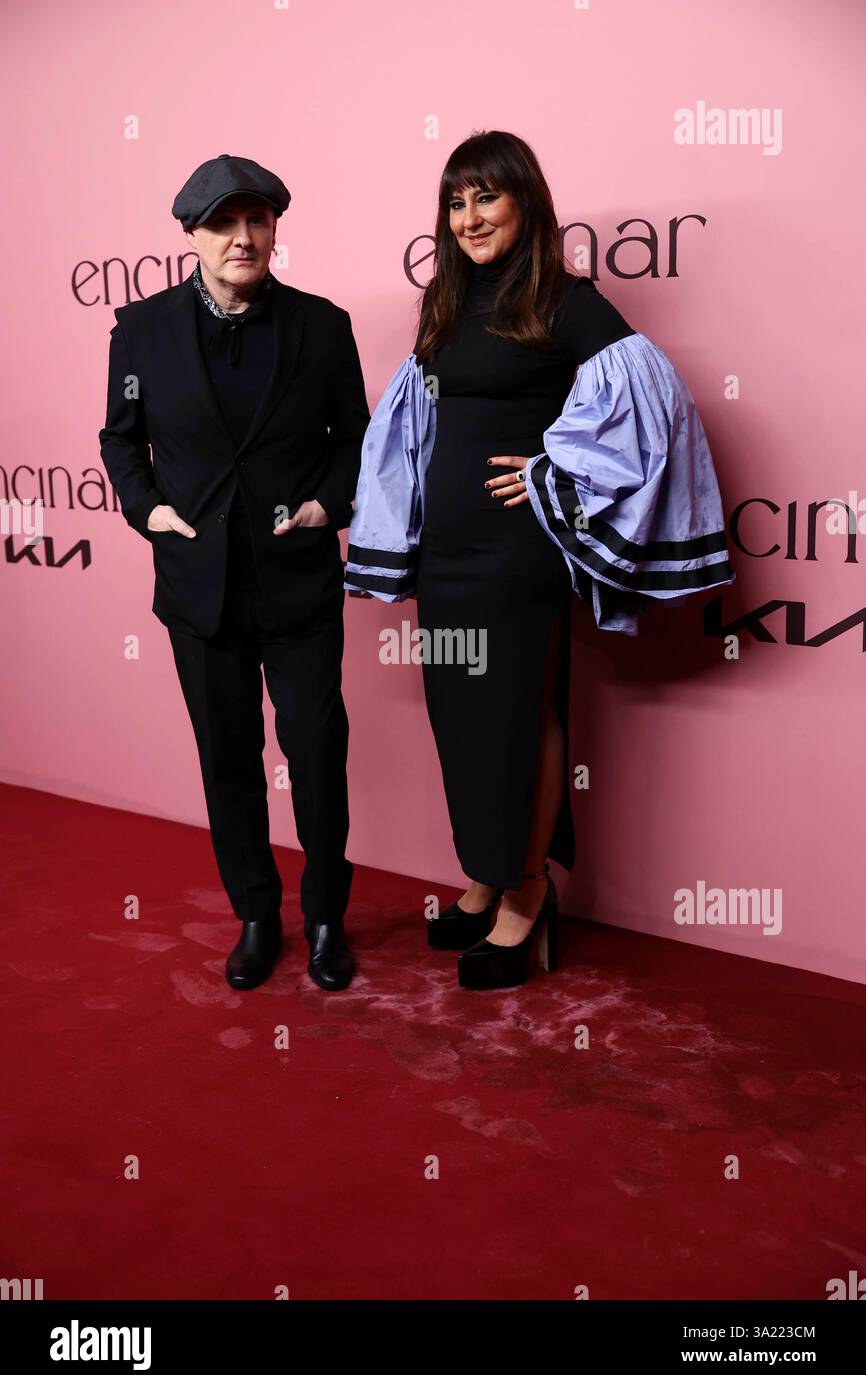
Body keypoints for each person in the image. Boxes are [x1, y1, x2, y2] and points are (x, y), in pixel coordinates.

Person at [345, 130, 734, 991]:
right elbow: (415, 424)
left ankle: (528, 896)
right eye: (456, 201)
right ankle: (486, 875)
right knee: (461, 718)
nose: (471, 217)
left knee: (521, 713)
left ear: (525, 201)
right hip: (444, 556)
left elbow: (655, 403)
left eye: (487, 197)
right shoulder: (445, 300)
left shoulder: (565, 300)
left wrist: (558, 474)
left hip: (517, 557)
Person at [99, 154, 370, 992]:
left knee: (318, 749)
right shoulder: (139, 331)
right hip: (198, 587)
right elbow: (120, 437)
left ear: (275, 229)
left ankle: (325, 915)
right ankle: (257, 913)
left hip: (298, 582)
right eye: (223, 224)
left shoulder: (323, 326)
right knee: (227, 756)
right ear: (191, 234)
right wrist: (148, 511)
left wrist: (330, 504)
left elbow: (356, 440)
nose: (243, 238)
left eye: (256, 221)